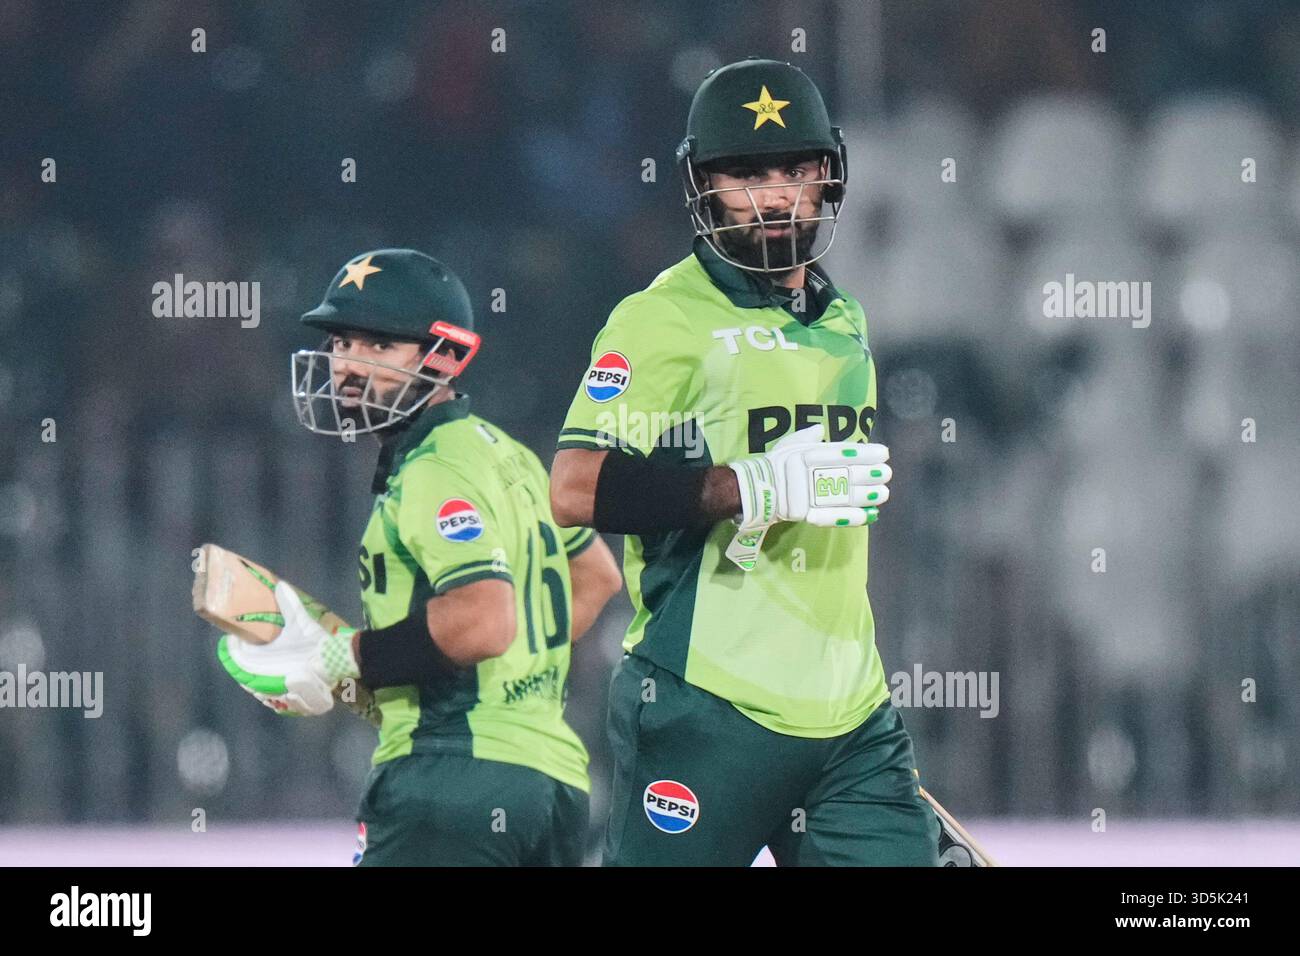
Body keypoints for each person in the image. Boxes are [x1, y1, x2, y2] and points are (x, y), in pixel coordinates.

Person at [550, 59, 941, 866]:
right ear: (702, 184)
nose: (774, 195)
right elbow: (573, 488)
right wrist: (749, 484)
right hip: (705, 708)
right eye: (747, 173)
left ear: (828, 176)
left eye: (796, 169)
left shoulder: (845, 321)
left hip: (851, 719)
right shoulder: (662, 319)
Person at [220, 248, 621, 866]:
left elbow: (483, 619)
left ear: (446, 356)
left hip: (450, 778)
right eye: (340, 343)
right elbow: (595, 576)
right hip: (552, 783)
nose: (347, 366)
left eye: (379, 346)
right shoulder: (508, 454)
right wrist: (511, 671)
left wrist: (340, 658)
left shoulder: (433, 469)